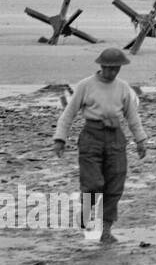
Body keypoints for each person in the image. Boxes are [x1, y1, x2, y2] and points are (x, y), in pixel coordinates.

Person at [53, 47, 148, 243]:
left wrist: (141, 140)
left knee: (115, 185)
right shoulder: (85, 86)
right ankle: (86, 212)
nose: (113, 73)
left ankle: (106, 231)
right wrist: (60, 139)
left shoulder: (123, 88)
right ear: (101, 66)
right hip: (91, 138)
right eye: (109, 69)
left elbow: (132, 116)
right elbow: (69, 113)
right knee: (94, 183)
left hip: (115, 139)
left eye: (117, 69)